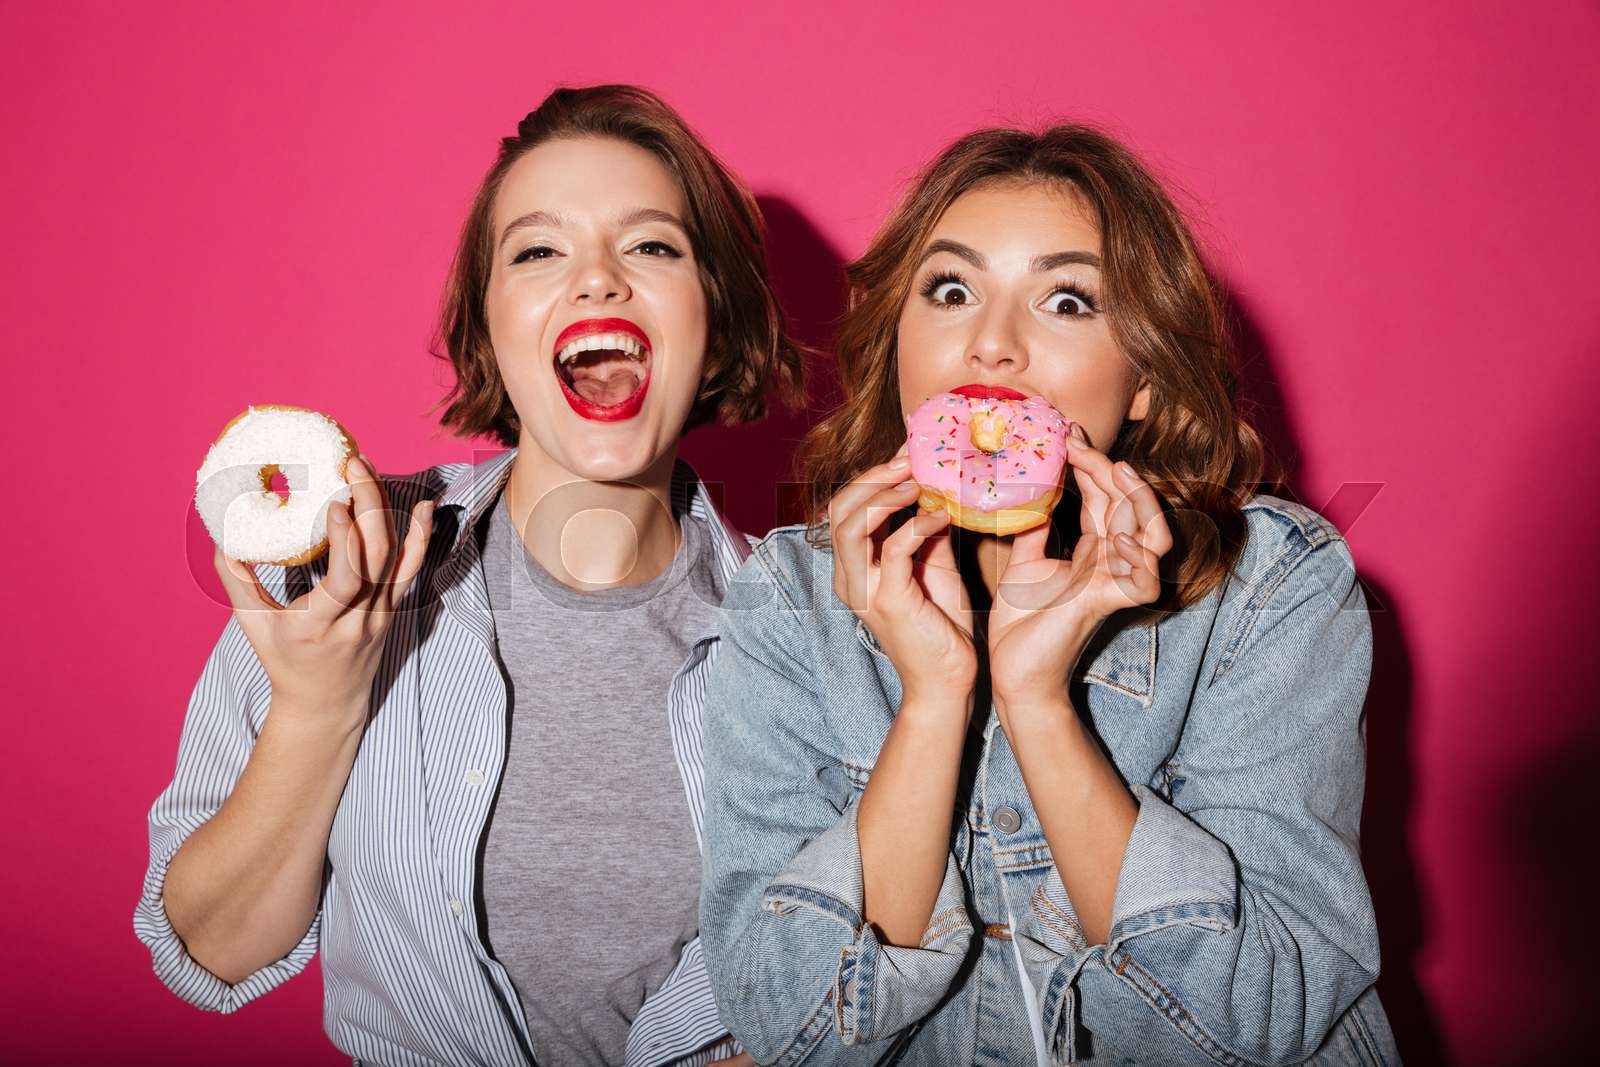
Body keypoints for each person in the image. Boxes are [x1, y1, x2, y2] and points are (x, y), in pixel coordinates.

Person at [698, 124, 1400, 1066]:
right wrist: (937, 697)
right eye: (952, 291)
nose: (992, 345)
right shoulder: (788, 597)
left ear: (1144, 379)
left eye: (1066, 300)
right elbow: (790, 1028)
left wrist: (1038, 702)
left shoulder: (1272, 588)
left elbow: (1260, 1019)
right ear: (898, 342)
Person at [136, 84, 802, 1067]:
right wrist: (320, 706)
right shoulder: (346, 555)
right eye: (538, 250)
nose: (597, 282)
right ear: (487, 327)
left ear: (715, 314)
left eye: (652, 245)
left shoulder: (804, 634)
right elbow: (212, 949)